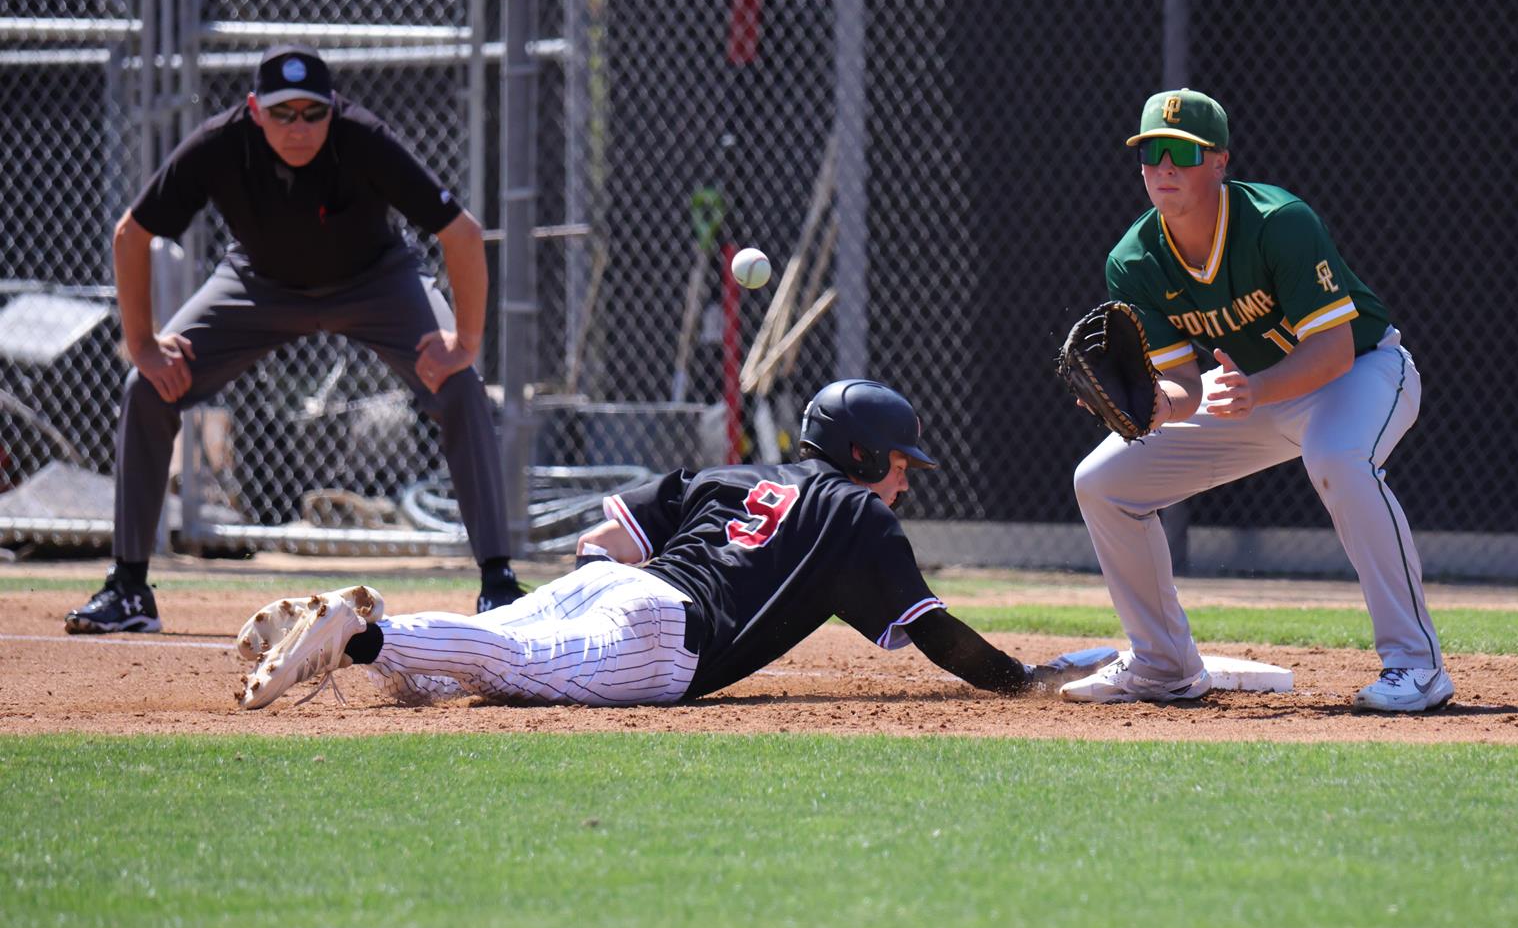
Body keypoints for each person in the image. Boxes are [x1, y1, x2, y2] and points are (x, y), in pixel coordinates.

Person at [235, 380, 1092, 709]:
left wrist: (595, 591)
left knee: (494, 663)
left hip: (613, 584)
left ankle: (377, 628)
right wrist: (1019, 681)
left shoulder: (734, 476)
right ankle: (357, 632)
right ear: (865, 455)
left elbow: (598, 536)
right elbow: (936, 633)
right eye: (901, 461)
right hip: (665, 631)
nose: (906, 479)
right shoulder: (858, 516)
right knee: (506, 662)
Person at [64, 44, 524, 635]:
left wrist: (466, 342)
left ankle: (499, 584)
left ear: (334, 109)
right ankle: (128, 588)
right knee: (146, 386)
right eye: (283, 113)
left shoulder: (364, 138)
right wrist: (144, 345)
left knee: (459, 383)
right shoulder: (220, 144)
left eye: (313, 113)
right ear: (255, 110)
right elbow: (132, 234)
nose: (299, 127)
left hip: (376, 280)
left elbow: (461, 233)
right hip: (258, 282)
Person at [1062, 89, 1452, 712]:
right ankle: (1164, 667)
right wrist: (1154, 408)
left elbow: (1333, 351)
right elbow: (1186, 385)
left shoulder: (1278, 222)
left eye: (1181, 154)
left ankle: (1415, 665)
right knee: (1102, 480)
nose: (1164, 167)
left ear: (1219, 162)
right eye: (1151, 153)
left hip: (1360, 375)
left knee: (1339, 458)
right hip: (1245, 395)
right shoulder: (1133, 261)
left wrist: (1257, 390)